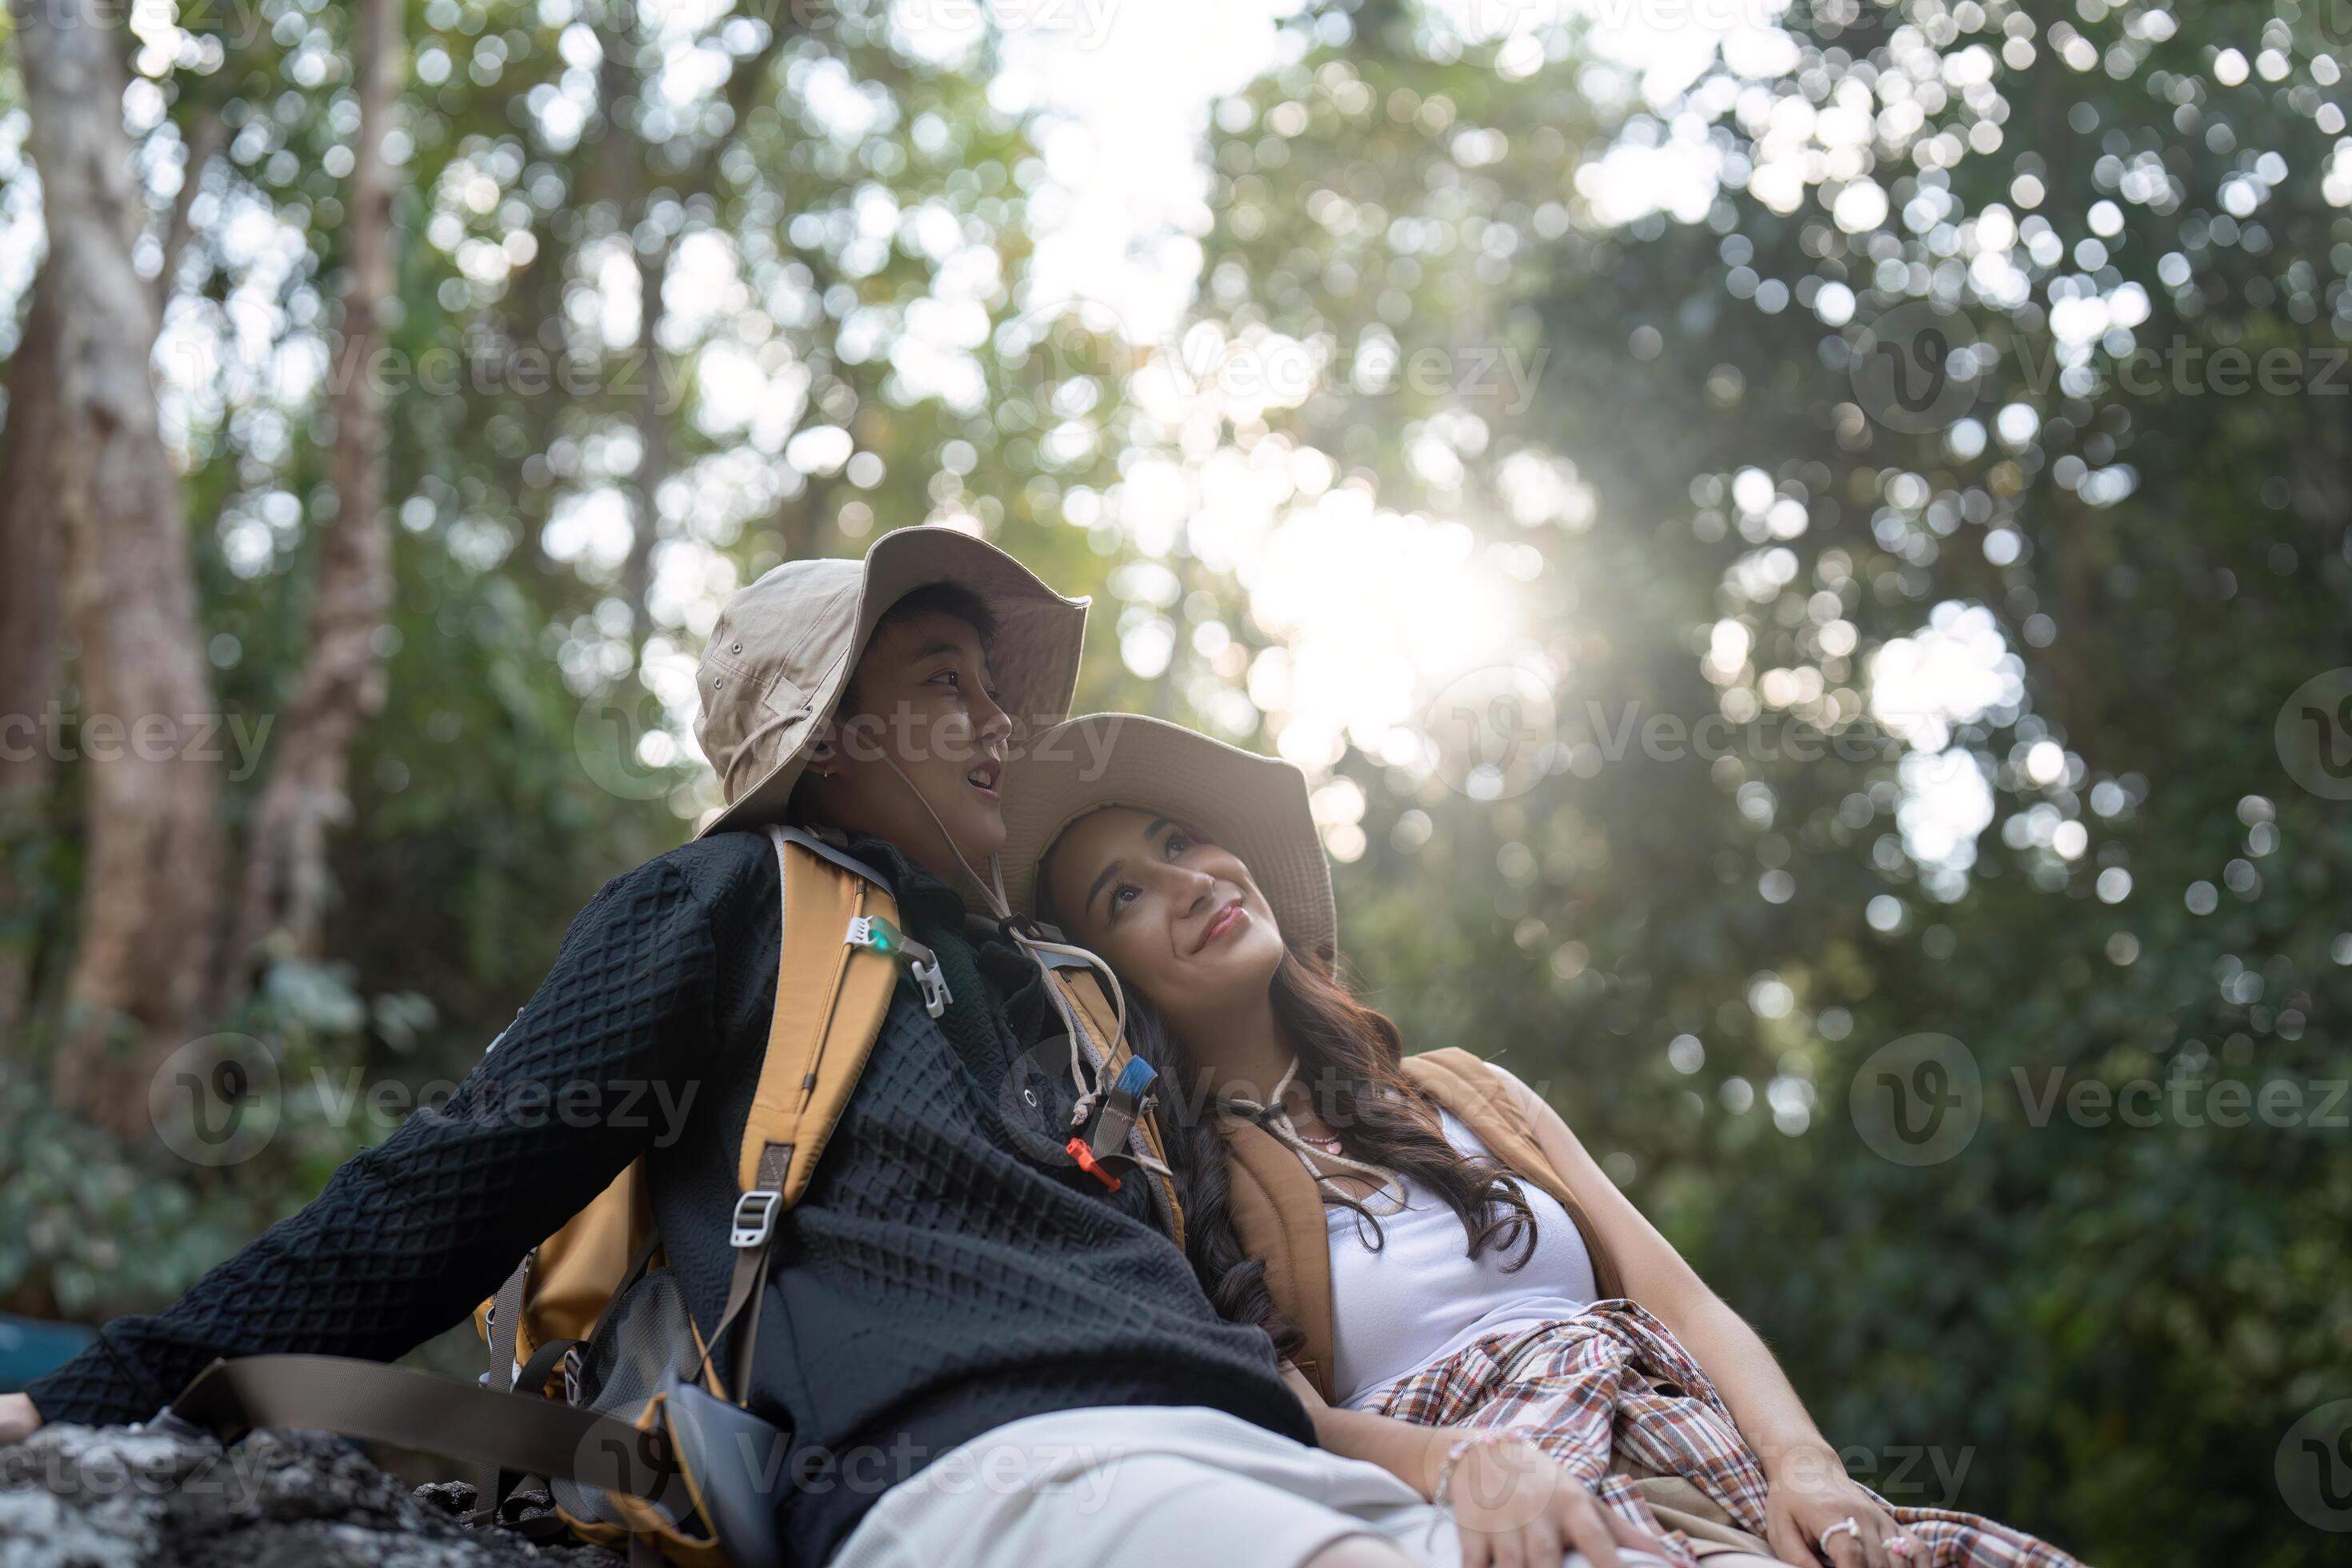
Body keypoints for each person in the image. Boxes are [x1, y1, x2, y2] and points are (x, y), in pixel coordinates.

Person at [0, 528, 1660, 1568]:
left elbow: (1275, 1280)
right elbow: (456, 1180)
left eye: (992, 686)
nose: (998, 721)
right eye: (947, 681)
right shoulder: (733, 902)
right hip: (1002, 1478)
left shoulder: (1076, 996)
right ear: (839, 734)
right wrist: (107, 1396)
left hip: (1262, 1460)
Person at [999, 712, 2090, 1568]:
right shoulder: (1167, 1181)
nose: (1188, 881)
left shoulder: (1467, 1093)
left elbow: (1684, 1304)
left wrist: (1807, 1468)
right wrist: (1463, 1464)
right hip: (1484, 1515)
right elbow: (1284, 1416)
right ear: (1100, 978)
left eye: (1179, 841)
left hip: (1699, 1461)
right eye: (1126, 894)